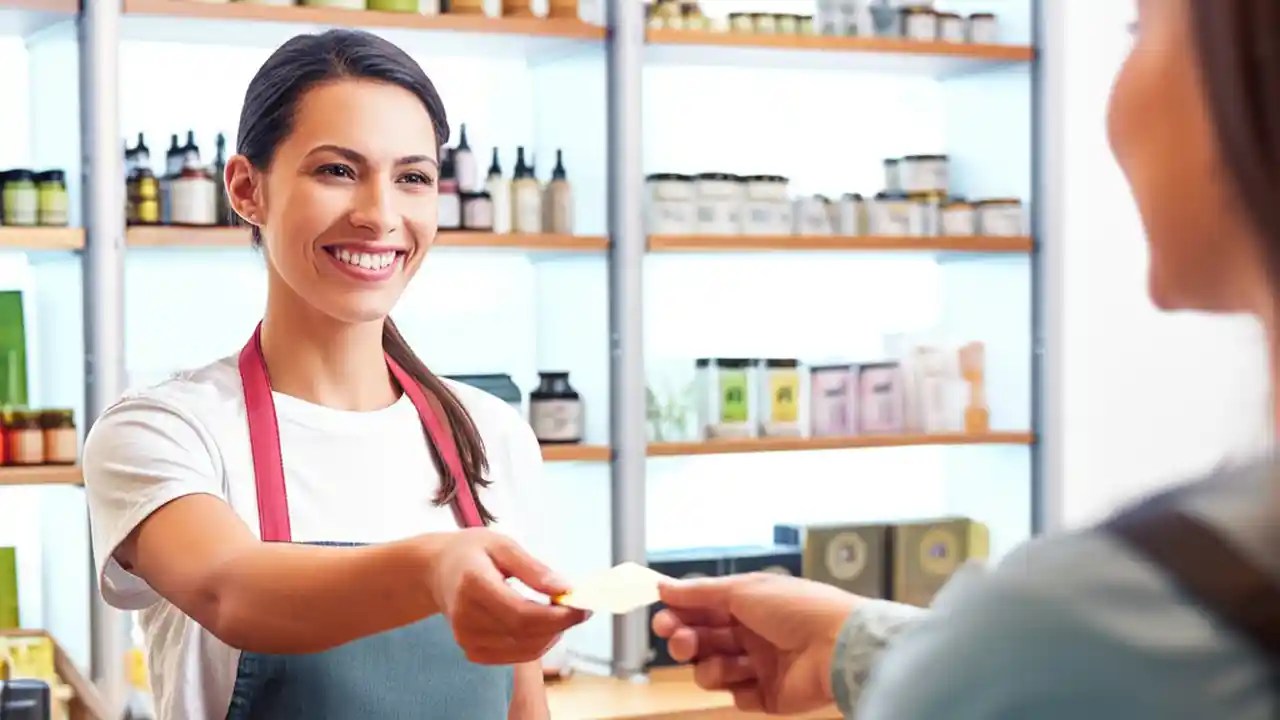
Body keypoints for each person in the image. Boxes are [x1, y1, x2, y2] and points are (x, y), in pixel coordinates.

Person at [653, 1, 1280, 717]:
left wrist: (976, 661)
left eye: (1139, 31)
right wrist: (864, 645)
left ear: (1248, 76)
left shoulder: (1085, 628)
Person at [82, 30, 586, 720]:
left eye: (411, 177)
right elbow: (234, 590)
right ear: (245, 188)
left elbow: (522, 704)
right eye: (337, 171)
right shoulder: (164, 432)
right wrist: (434, 571)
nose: (379, 215)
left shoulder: (490, 436)